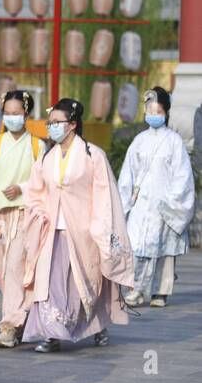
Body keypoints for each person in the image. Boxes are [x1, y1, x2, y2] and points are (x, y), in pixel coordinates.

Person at [21, 98, 134, 351]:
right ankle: (52, 333)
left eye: (56, 123)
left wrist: (100, 227)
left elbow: (105, 197)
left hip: (84, 231)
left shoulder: (93, 155)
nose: (51, 127)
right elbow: (34, 192)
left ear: (72, 124)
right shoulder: (47, 157)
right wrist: (39, 213)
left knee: (85, 283)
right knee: (51, 283)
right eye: (49, 123)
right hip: (52, 232)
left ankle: (97, 324)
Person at [0, 91, 46, 348]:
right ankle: (20, 317)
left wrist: (22, 188)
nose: (11, 117)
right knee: (4, 272)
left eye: (16, 113)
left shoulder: (38, 146)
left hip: (23, 214)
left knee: (17, 265)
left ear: (26, 114)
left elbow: (43, 182)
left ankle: (8, 326)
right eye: (8, 113)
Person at [118, 88, 194, 308]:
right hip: (141, 201)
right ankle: (135, 289)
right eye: (150, 110)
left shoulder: (174, 141)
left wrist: (172, 202)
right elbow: (128, 173)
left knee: (165, 249)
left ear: (166, 112)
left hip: (164, 202)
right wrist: (126, 199)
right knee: (137, 244)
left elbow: (182, 175)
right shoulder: (138, 140)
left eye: (158, 110)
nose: (154, 114)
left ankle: (162, 290)